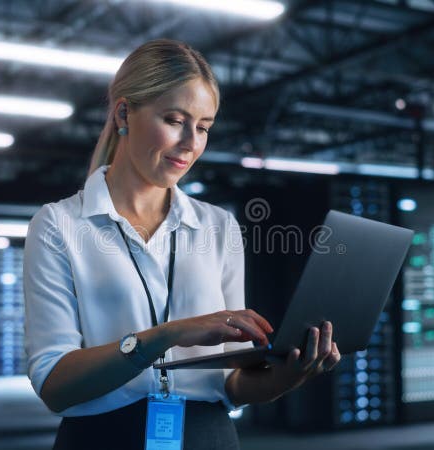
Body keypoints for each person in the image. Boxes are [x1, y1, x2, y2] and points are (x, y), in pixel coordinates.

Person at [23, 39, 341, 450]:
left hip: (209, 436)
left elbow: (231, 383)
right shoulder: (58, 225)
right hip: (103, 438)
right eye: (175, 120)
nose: (192, 142)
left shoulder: (217, 225)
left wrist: (289, 376)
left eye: (204, 126)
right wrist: (168, 335)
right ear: (124, 113)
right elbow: (54, 385)